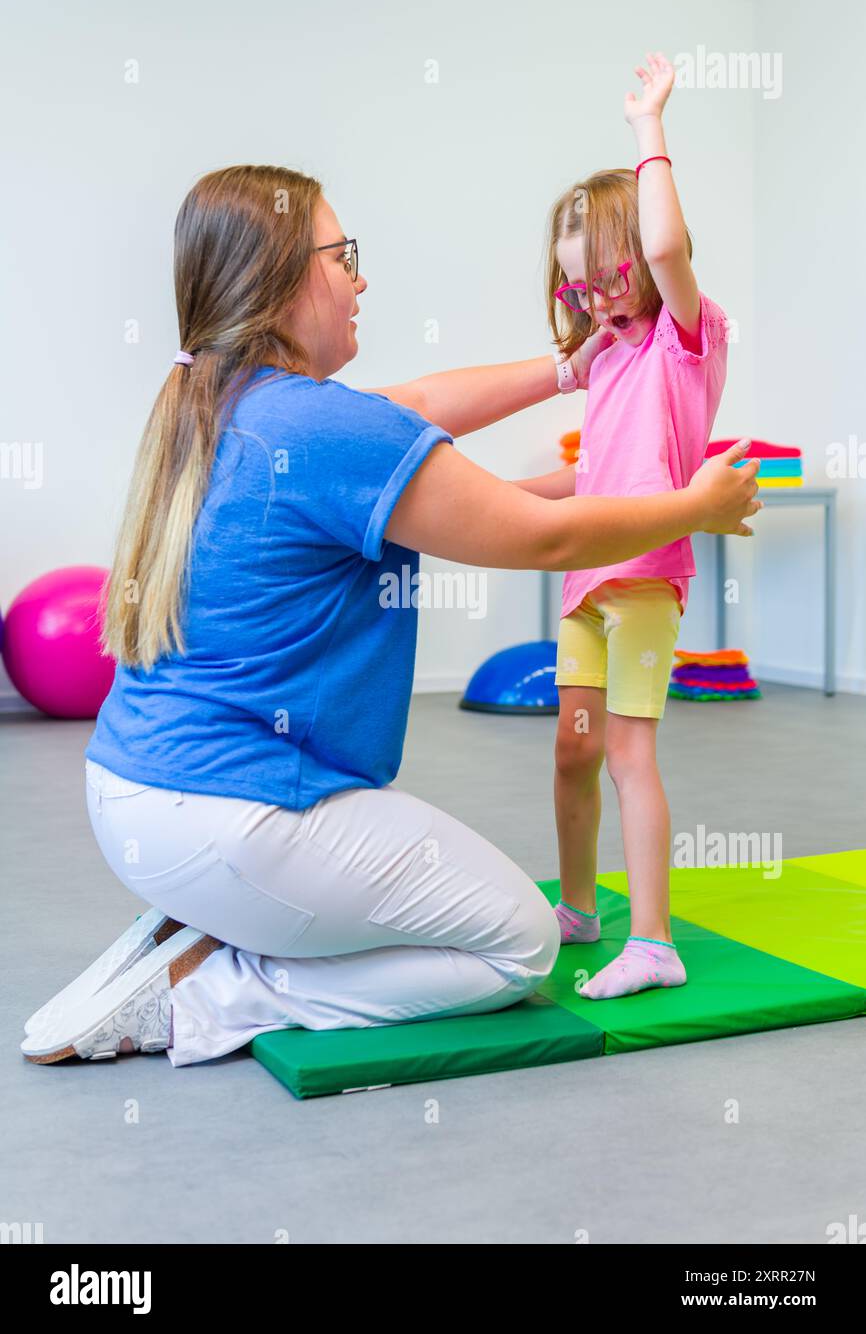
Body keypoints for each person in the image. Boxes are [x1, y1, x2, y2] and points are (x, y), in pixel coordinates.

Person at [21, 161, 759, 1067]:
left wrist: (571, 368)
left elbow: (416, 409)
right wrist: (696, 507)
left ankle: (206, 924)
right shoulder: (324, 431)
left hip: (133, 799)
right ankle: (218, 991)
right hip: (238, 817)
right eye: (343, 257)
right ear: (286, 278)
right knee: (517, 946)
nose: (360, 279)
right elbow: (546, 538)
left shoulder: (230, 402)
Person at [545, 51, 732, 999]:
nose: (601, 297)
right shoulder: (608, 360)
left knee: (627, 753)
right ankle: (580, 907)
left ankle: (652, 941)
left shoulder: (684, 340)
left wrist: (647, 127)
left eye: (610, 275)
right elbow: (583, 482)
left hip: (647, 581)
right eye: (580, 287)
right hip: (585, 582)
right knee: (573, 747)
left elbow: (664, 252)